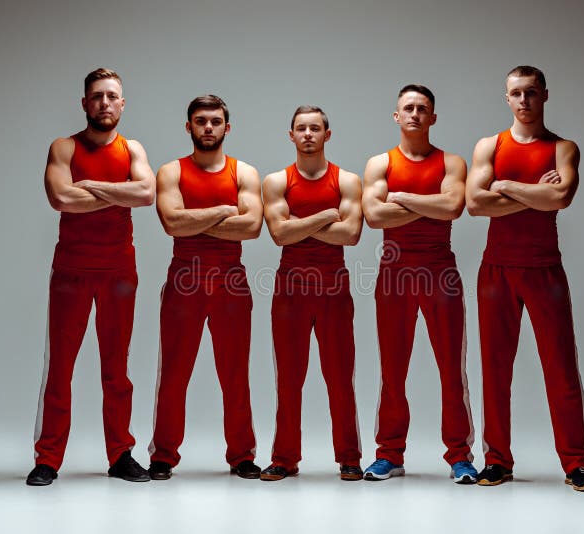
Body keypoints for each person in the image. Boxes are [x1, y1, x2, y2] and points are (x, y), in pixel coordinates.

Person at [465, 65, 584, 492]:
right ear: (506, 98)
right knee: (495, 369)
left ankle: (576, 463)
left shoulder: (564, 148)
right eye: (516, 94)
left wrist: (504, 187)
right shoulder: (489, 145)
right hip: (496, 270)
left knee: (560, 369)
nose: (524, 102)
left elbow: (561, 196)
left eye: (531, 94)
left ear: (544, 95)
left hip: (544, 270)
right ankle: (497, 461)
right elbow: (474, 203)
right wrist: (530, 193)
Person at [28, 68, 156, 486]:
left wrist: (90, 187)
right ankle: (48, 458)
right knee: (60, 368)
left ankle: (120, 454)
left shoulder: (132, 147)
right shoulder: (63, 146)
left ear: (122, 104)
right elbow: (60, 198)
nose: (104, 102)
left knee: (116, 368)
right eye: (96, 96)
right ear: (85, 103)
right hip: (71, 271)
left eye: (112, 96)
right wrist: (116, 189)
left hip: (119, 271)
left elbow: (147, 194)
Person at [361, 85, 476, 483]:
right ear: (396, 116)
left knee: (451, 371)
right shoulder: (379, 163)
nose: (414, 114)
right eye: (407, 108)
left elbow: (452, 207)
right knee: (393, 370)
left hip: (439, 272)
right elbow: (374, 217)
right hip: (394, 275)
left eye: (422, 108)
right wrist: (426, 202)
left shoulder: (452, 162)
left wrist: (401, 197)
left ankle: (460, 456)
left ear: (433, 117)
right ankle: (389, 454)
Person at [148, 95, 263, 480]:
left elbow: (252, 226)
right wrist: (220, 212)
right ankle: (163, 454)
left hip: (230, 278)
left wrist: (193, 220)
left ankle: (242, 454)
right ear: (189, 127)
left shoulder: (244, 172)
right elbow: (172, 224)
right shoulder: (171, 172)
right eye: (201, 121)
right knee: (174, 373)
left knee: (235, 372)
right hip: (185, 278)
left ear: (227, 128)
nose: (208, 127)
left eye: (216, 121)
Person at [260, 106, 363, 481]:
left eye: (315, 128)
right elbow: (278, 235)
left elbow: (351, 235)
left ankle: (349, 457)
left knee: (340, 377)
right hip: (290, 290)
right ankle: (284, 458)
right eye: (301, 128)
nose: (308, 134)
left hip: (334, 287)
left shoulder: (348, 181)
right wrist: (324, 217)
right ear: (291, 135)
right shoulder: (276, 181)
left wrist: (298, 225)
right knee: (289, 378)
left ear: (327, 134)